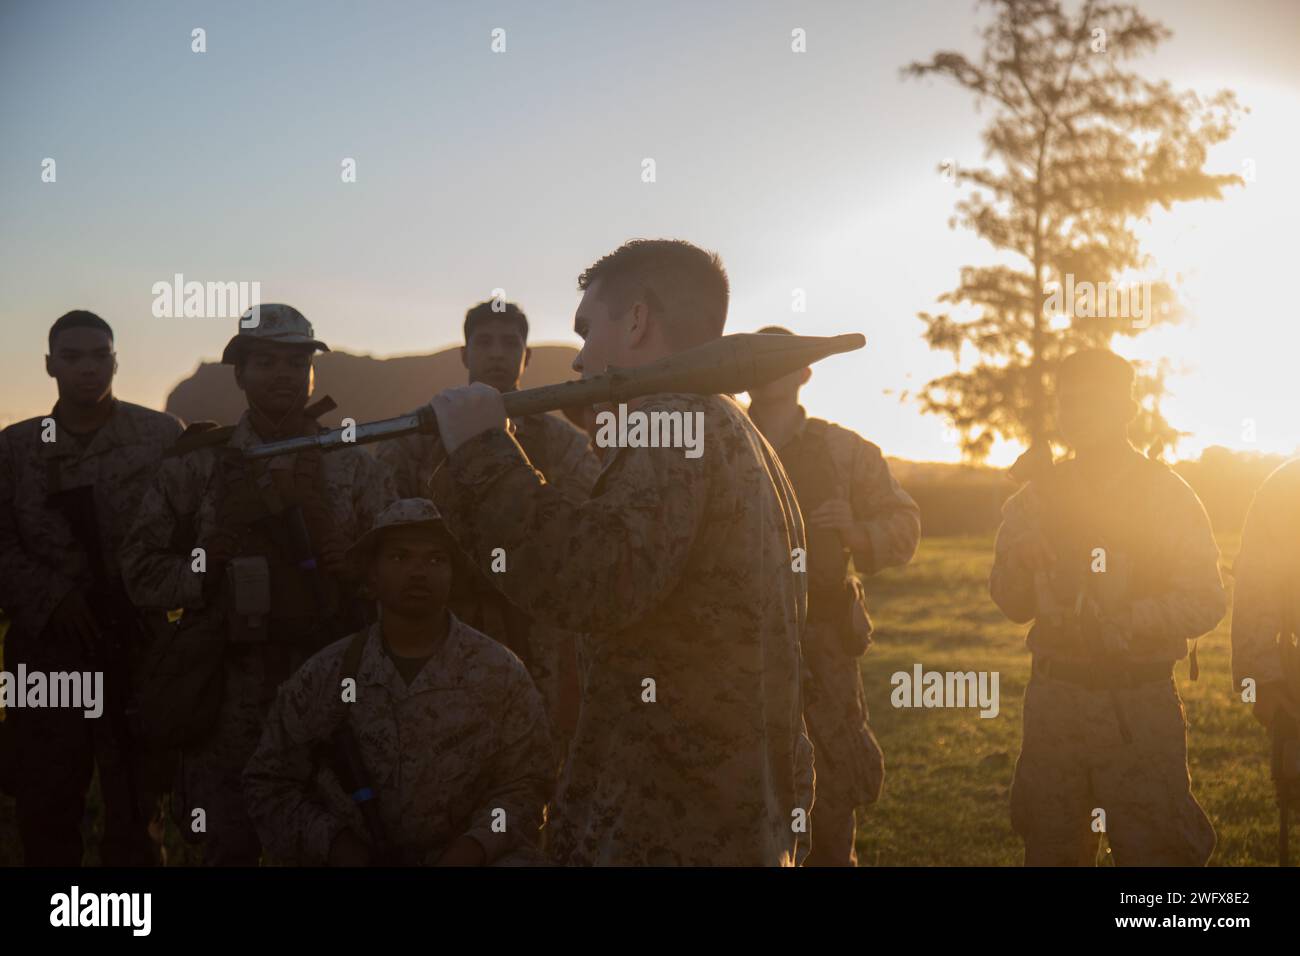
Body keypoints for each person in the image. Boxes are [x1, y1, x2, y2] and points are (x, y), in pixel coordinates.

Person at [424, 239, 815, 866]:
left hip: (667, 826)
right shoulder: (731, 429)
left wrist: (482, 453)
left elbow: (594, 581)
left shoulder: (672, 422)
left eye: (587, 329)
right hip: (722, 815)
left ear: (636, 321)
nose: (579, 360)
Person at [122, 304, 394, 865]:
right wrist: (204, 565)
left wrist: (357, 572)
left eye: (297, 362)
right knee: (228, 844)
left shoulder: (352, 464)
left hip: (330, 687)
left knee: (335, 840)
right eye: (265, 361)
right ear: (239, 372)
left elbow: (404, 570)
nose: (283, 375)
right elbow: (141, 571)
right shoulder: (199, 466)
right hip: (228, 697)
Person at [990, 348, 1225, 866]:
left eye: (1091, 403)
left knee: (1156, 862)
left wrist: (1129, 620)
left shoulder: (1166, 495)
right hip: (1055, 704)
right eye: (1067, 403)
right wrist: (1023, 560)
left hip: (1137, 707)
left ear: (1127, 410)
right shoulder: (1036, 496)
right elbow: (1008, 601)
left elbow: (1207, 600)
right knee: (1052, 850)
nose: (1075, 415)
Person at [243, 498, 554, 866]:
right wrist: (339, 846)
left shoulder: (499, 672)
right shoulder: (325, 674)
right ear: (371, 575)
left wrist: (469, 850)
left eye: (436, 558)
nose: (418, 571)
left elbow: (528, 785)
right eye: (399, 557)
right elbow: (270, 783)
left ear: (454, 574)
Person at [0, 310, 182, 865]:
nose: (87, 367)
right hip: (49, 650)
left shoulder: (159, 436)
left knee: (136, 808)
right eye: (73, 356)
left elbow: (188, 524)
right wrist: (53, 598)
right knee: (46, 805)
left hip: (137, 641)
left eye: (99, 354)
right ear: (50, 364)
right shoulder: (17, 447)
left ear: (116, 360)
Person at [378, 300, 597, 747]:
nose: (497, 353)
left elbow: (582, 533)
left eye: (510, 343)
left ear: (526, 356)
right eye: (484, 342)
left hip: (537, 632)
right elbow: (385, 529)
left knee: (537, 753)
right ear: (465, 354)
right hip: (441, 629)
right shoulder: (417, 437)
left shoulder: (562, 444)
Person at [746, 325, 921, 866]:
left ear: (804, 373)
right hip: (736, 651)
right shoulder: (717, 440)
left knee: (830, 800)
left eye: (784, 360)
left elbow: (906, 525)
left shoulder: (843, 451)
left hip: (821, 651)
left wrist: (856, 532)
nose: (770, 369)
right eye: (758, 359)